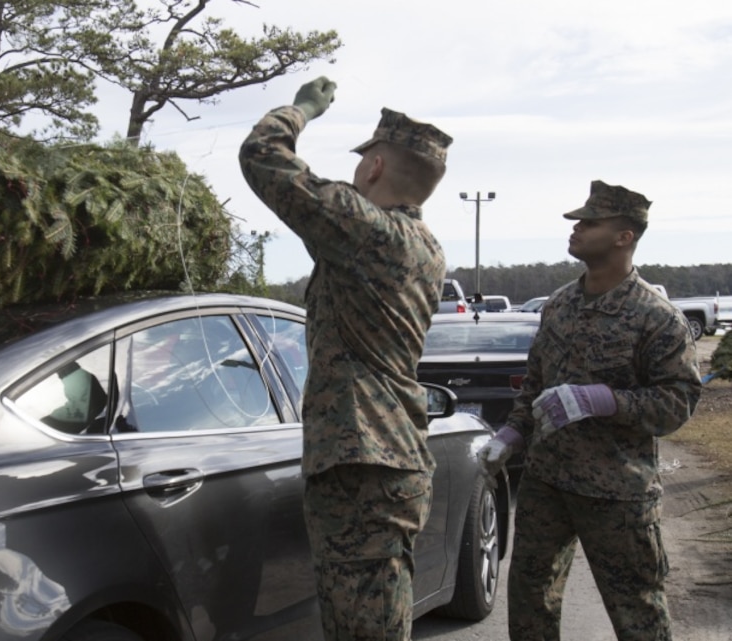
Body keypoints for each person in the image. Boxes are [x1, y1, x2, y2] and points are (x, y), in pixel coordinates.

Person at [238, 76, 452, 640]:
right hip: (381, 462)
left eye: (362, 161)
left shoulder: (372, 233)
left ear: (375, 167)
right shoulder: (418, 245)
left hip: (366, 465)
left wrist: (300, 111)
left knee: (365, 628)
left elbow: (263, 156)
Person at [477, 180, 702, 640]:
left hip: (616, 490)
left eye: (590, 222)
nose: (576, 228)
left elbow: (678, 401)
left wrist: (605, 400)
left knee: (637, 609)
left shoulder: (656, 316)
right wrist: (512, 434)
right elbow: (535, 385)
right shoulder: (560, 305)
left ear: (624, 236)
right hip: (547, 480)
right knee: (530, 598)